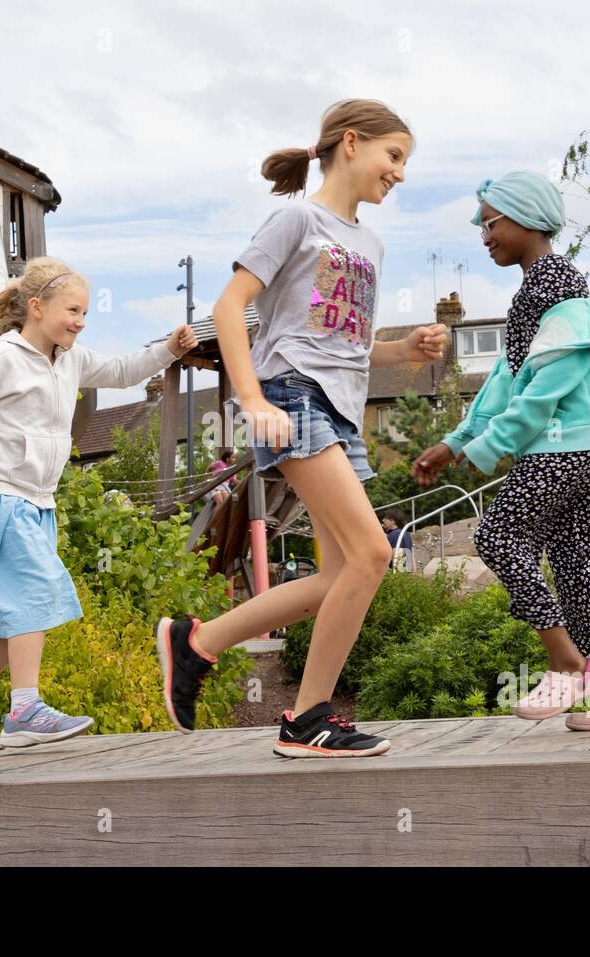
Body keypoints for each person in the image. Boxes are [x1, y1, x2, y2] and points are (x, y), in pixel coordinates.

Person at [154, 98, 448, 758]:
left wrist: (406, 352)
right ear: (351, 142)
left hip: (340, 411)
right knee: (373, 553)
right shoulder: (295, 217)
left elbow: (346, 340)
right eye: (393, 156)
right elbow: (230, 308)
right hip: (292, 397)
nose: (398, 173)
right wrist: (253, 398)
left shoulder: (369, 243)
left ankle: (195, 642)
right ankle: (308, 717)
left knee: (336, 577)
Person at [412, 171, 590, 731]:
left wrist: (486, 448)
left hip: (567, 440)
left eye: (491, 221)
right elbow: (509, 379)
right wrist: (456, 442)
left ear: (527, 217)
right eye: (482, 224)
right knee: (581, 569)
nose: (484, 234)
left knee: (498, 537)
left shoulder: (557, 286)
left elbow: (546, 389)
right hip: (586, 442)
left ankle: (568, 662)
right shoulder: (534, 289)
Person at [0, 256, 199, 751]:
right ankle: (25, 709)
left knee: (10, 617)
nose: (79, 321)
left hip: (36, 504)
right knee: (35, 595)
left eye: (85, 313)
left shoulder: (69, 358)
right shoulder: (0, 357)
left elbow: (121, 370)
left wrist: (167, 350)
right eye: (72, 310)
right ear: (35, 307)